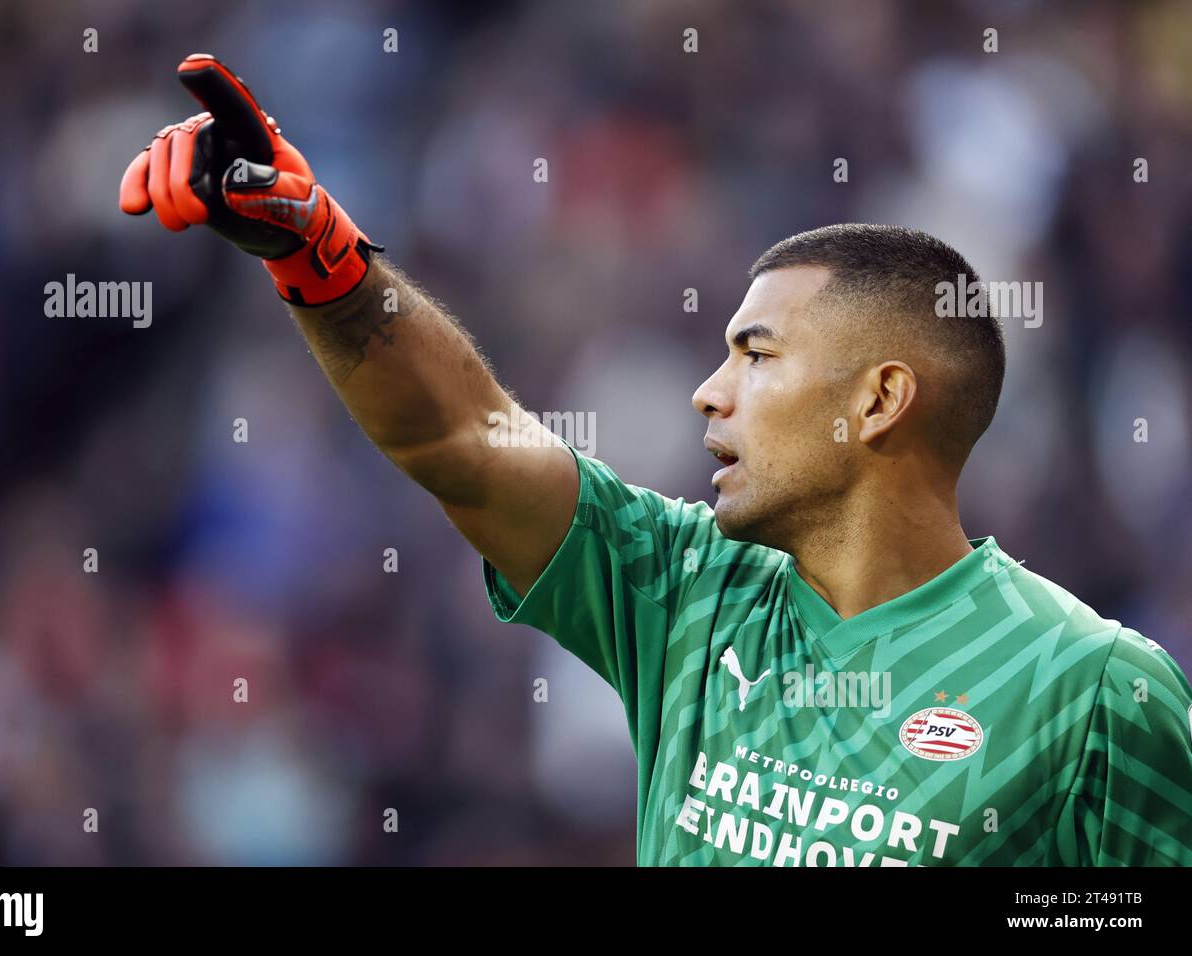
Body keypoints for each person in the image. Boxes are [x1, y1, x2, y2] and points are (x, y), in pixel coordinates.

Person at [121, 54, 1192, 866]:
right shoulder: (686, 592)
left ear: (878, 399)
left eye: (755, 356)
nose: (708, 392)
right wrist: (323, 261)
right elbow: (460, 437)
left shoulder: (1092, 689)